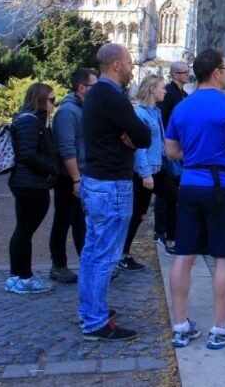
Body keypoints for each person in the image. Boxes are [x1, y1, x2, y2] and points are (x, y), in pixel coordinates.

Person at [166, 49, 225, 350]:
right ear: (216, 72)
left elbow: (171, 151)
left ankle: (180, 326)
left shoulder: (182, 107)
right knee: (224, 258)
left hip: (190, 185)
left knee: (184, 256)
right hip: (223, 187)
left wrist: (195, 156)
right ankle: (219, 328)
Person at [79, 43, 151, 342]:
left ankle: (91, 310)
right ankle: (95, 321)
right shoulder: (112, 96)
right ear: (117, 65)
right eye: (130, 63)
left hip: (96, 181)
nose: (133, 68)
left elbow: (137, 136)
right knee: (104, 255)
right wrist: (132, 139)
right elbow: (144, 135)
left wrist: (132, 138)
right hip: (111, 185)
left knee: (93, 252)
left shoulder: (96, 93)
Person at [118, 74, 178, 271]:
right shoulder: (141, 115)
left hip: (158, 168)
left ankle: (169, 240)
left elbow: (157, 141)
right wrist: (145, 174)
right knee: (137, 213)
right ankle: (123, 254)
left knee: (174, 200)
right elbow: (140, 147)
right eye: (162, 87)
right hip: (146, 172)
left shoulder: (155, 112)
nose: (165, 90)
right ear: (152, 89)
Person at [5, 83, 59, 294]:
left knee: (23, 230)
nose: (54, 104)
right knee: (24, 231)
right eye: (51, 100)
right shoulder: (30, 120)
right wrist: (50, 169)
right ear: (40, 100)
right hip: (30, 183)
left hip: (28, 182)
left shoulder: (31, 119)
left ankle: (17, 276)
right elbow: (27, 154)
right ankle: (23, 277)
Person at [49, 68, 98, 283]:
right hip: (68, 177)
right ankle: (58, 265)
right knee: (63, 221)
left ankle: (86, 264)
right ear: (81, 88)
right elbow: (67, 148)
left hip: (82, 175)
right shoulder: (68, 112)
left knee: (80, 222)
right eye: (93, 86)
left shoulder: (84, 108)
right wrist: (76, 179)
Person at [153, 62, 190, 250]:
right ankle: (161, 231)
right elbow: (163, 121)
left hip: (181, 148)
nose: (189, 74)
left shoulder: (184, 94)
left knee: (176, 189)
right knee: (168, 191)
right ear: (175, 74)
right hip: (170, 148)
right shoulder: (168, 93)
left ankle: (173, 230)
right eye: (185, 72)